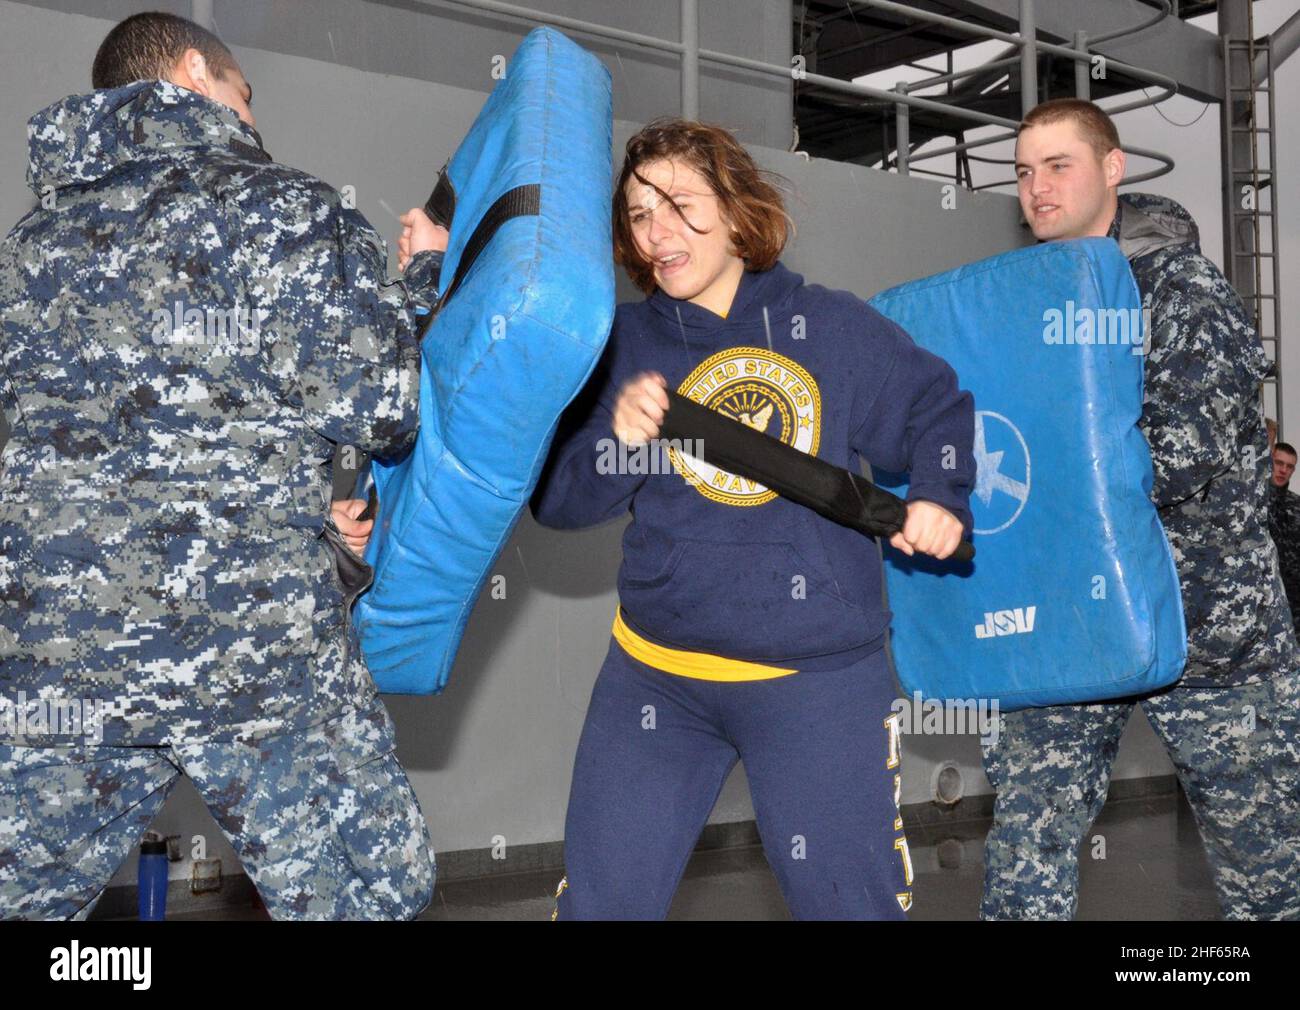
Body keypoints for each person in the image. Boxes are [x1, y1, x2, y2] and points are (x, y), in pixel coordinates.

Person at [0, 12, 448, 919]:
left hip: (57, 658)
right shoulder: (285, 211)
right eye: (247, 95)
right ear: (198, 71)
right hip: (250, 654)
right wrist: (422, 285)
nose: (251, 117)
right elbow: (380, 408)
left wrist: (290, 510)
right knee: (369, 899)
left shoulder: (28, 248)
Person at [530, 118, 975, 920]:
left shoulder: (831, 327)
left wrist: (941, 493)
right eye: (638, 213)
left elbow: (935, 406)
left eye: (678, 204)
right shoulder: (619, 343)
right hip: (656, 680)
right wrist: (620, 444)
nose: (657, 231)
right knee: (600, 907)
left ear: (738, 211)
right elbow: (559, 503)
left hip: (817, 688)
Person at [980, 97, 1300, 920]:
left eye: (1059, 166)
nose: (1037, 188)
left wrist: (1032, 488)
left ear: (1111, 169)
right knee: (1027, 842)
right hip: (1071, 622)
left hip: (1206, 629)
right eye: (1022, 171)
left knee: (1266, 869)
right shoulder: (1021, 303)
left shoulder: (1183, 292)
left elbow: (1177, 453)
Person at [1268, 441, 1300, 632]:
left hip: (1295, 603)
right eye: (1278, 463)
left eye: (1289, 466)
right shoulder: (1253, 503)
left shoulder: (1296, 504)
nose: (1283, 470)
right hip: (1266, 600)